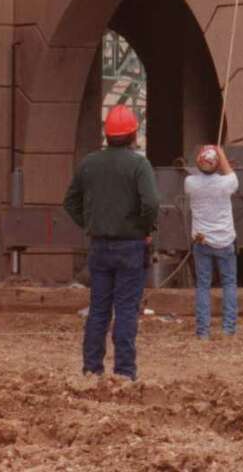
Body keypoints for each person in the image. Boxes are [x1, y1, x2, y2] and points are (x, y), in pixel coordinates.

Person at [63, 103, 158, 383]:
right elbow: (151, 202)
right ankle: (124, 372)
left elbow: (70, 202)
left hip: (99, 247)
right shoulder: (139, 165)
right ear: (133, 134)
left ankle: (92, 369)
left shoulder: (89, 164)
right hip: (131, 246)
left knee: (99, 309)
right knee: (126, 309)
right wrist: (145, 228)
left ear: (107, 135)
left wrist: (90, 224)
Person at [185, 142, 239, 341]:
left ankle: (203, 332)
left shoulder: (190, 183)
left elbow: (201, 169)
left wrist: (205, 154)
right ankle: (228, 330)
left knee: (203, 286)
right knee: (229, 283)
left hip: (202, 242)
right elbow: (230, 174)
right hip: (225, 241)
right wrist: (220, 153)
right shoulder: (227, 183)